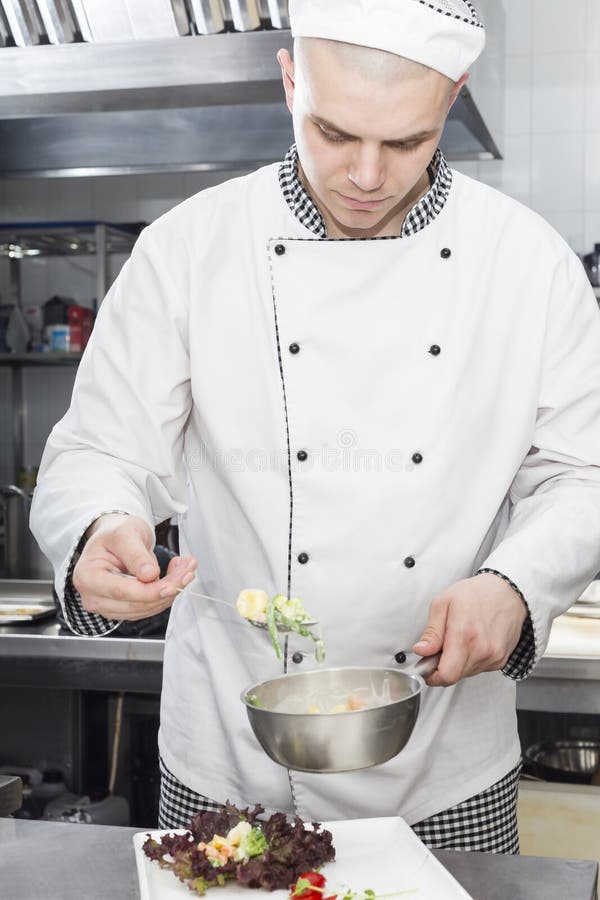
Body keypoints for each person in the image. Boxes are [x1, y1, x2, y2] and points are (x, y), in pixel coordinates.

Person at [30, 0, 600, 855]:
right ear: (290, 80)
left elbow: (579, 473)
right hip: (230, 758)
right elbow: (101, 449)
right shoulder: (190, 248)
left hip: (446, 765)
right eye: (333, 132)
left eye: (405, 141)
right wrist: (98, 529)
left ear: (453, 96)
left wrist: (516, 585)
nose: (367, 174)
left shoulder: (529, 263)